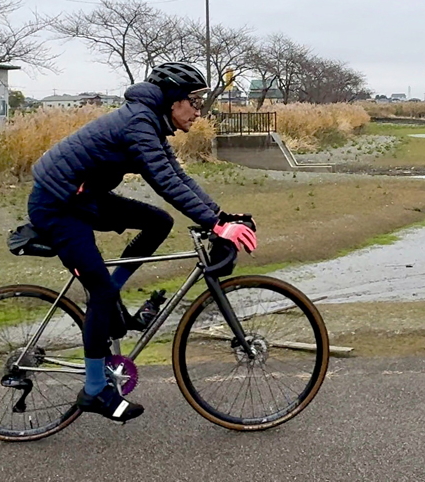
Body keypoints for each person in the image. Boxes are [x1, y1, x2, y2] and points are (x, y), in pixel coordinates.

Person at [27, 62, 257, 423]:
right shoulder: (139, 124)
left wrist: (221, 217)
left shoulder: (149, 122)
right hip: (59, 205)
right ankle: (93, 390)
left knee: (158, 222)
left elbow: (179, 177)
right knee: (99, 292)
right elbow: (163, 180)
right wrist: (213, 223)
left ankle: (112, 296)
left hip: (84, 198)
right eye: (193, 101)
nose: (199, 110)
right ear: (171, 100)